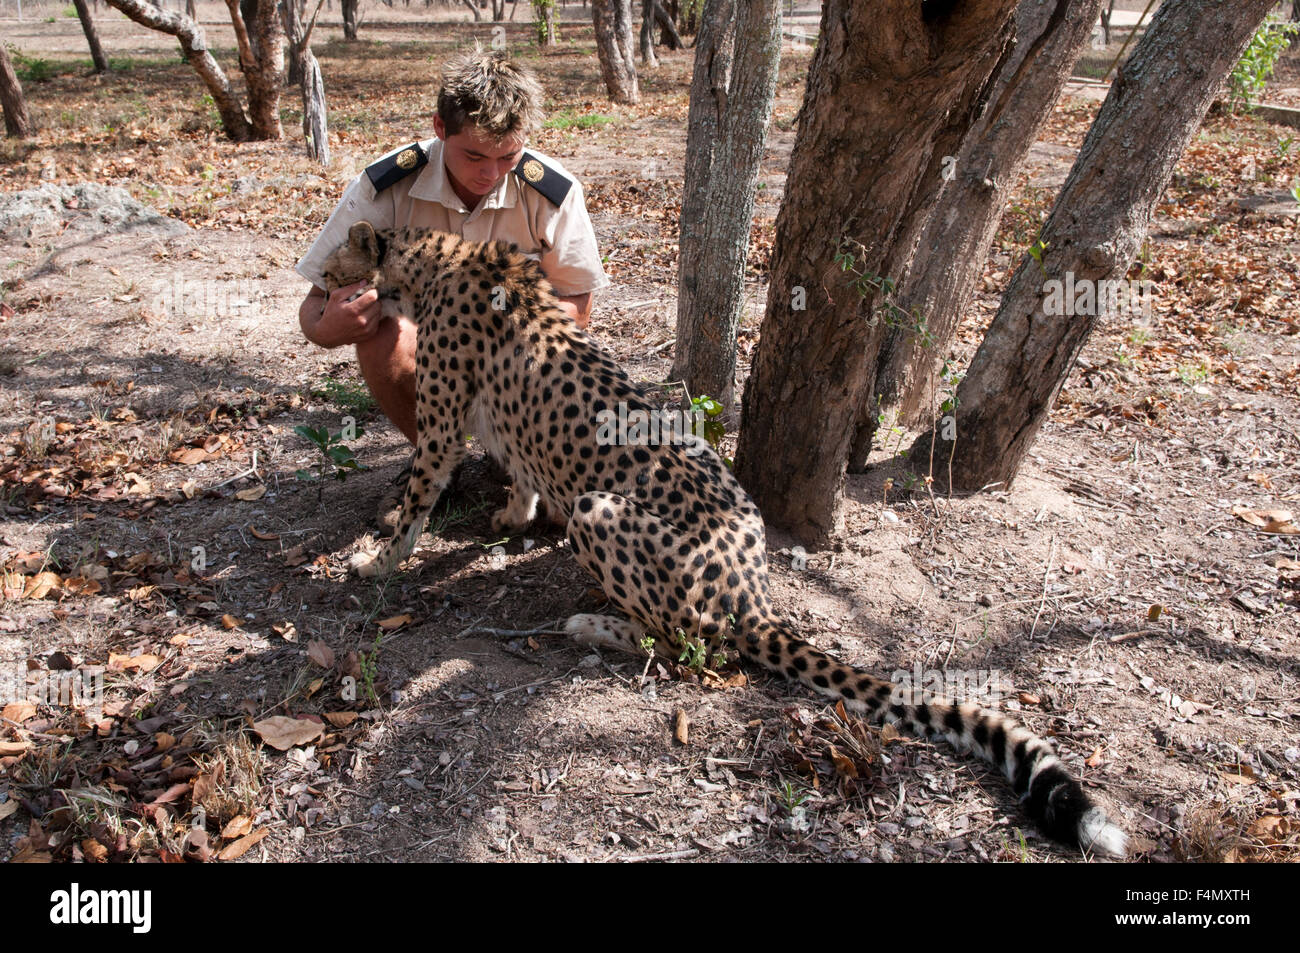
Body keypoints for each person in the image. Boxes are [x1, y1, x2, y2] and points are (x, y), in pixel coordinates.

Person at [294, 50, 609, 524]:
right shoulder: (386, 185)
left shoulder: (551, 192)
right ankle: (437, 462)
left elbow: (576, 304)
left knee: (570, 516)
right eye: (475, 156)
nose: (491, 173)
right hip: (427, 354)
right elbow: (314, 308)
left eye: (508, 156)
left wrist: (507, 355)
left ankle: (520, 459)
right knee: (380, 334)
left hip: (515, 360)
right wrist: (329, 326)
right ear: (440, 128)